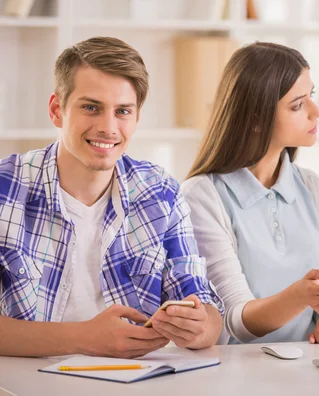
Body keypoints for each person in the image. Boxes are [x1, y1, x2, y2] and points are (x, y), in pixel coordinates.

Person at [0, 37, 223, 358]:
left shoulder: (161, 192)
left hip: (135, 383)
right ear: (56, 110)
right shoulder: (7, 187)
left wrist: (201, 327)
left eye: (122, 111)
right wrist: (81, 338)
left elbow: (206, 309)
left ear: (136, 118)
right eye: (91, 107)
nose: (108, 127)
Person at [181, 42, 319, 345]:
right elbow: (234, 319)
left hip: (306, 369)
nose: (317, 112)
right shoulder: (201, 197)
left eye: (310, 96)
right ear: (256, 120)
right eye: (297, 105)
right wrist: (299, 297)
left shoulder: (315, 191)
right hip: (233, 375)